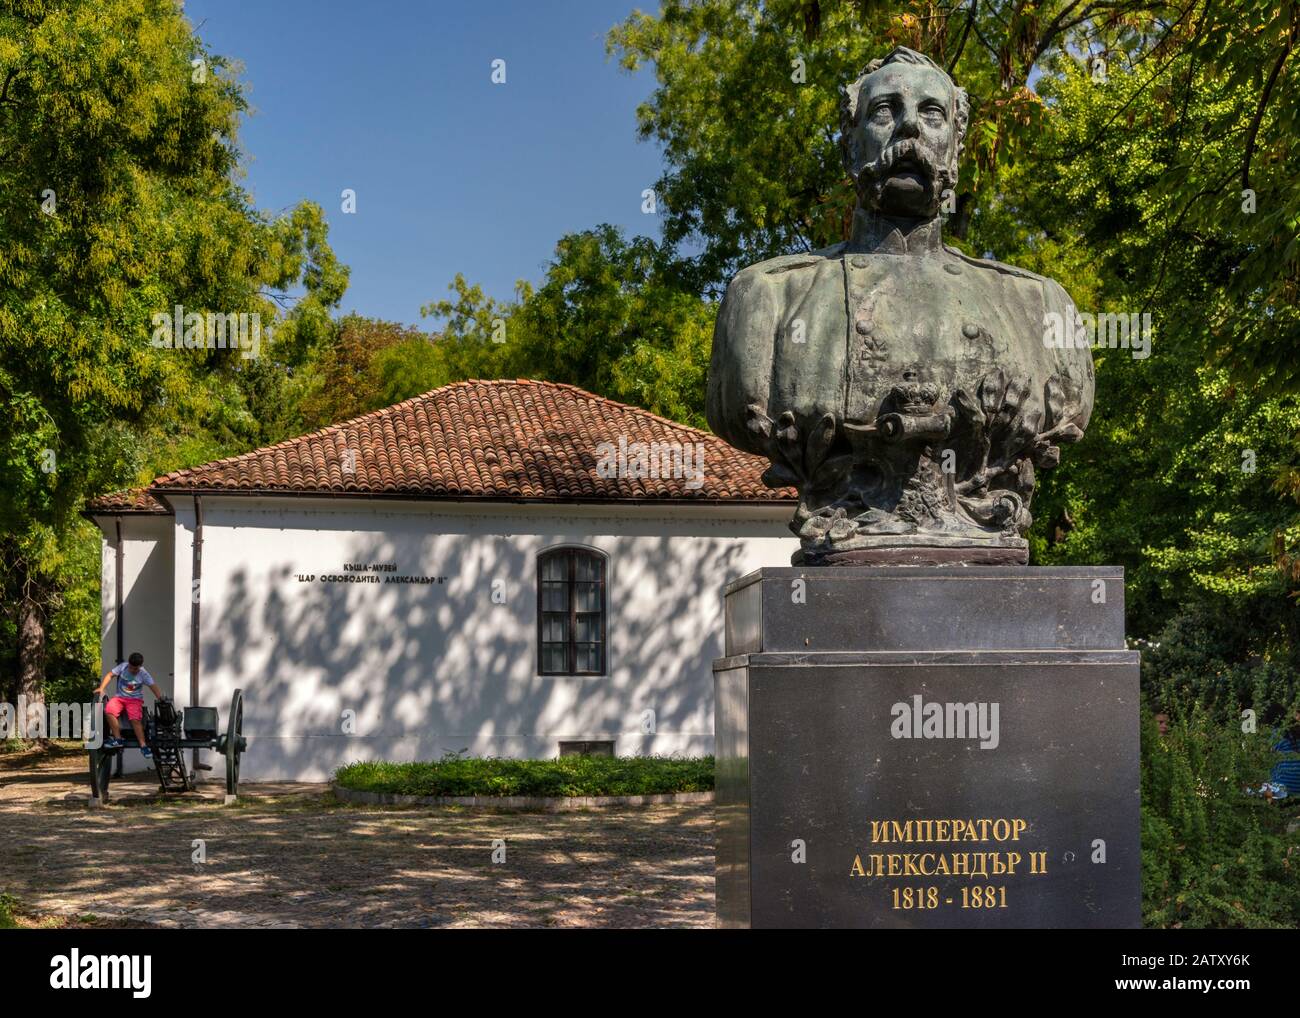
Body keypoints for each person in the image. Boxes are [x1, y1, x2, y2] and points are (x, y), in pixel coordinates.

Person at [95, 652, 165, 757]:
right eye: (131, 668)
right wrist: (101, 688)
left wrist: (160, 698)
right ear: (129, 664)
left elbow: (153, 686)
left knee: (135, 719)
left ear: (140, 667)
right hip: (120, 697)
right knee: (109, 710)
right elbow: (110, 675)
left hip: (134, 700)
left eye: (135, 669)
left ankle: (143, 746)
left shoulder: (144, 674)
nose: (132, 670)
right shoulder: (123, 667)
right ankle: (118, 739)